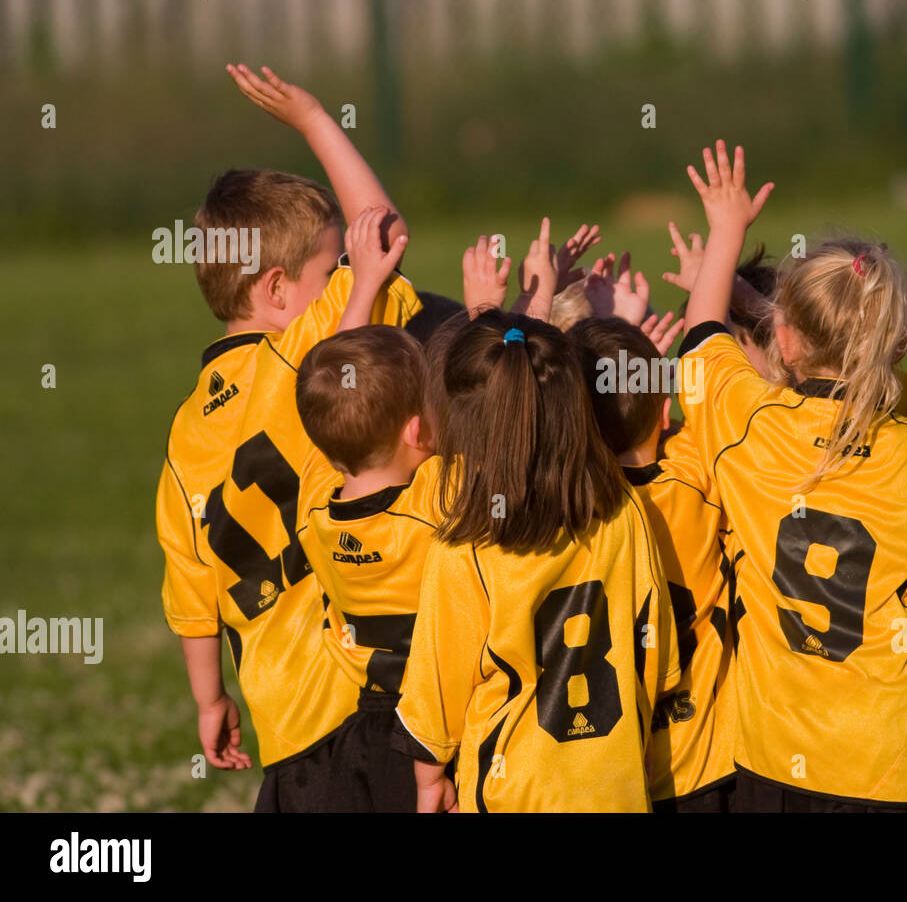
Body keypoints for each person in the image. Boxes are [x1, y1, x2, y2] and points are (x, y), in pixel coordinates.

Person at [155, 64, 420, 811]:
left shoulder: (183, 434)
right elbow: (385, 234)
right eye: (332, 265)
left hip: (284, 735)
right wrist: (314, 121)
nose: (348, 270)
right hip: (364, 704)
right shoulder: (304, 350)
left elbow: (189, 593)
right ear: (277, 291)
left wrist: (210, 701)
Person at [674, 140, 907, 811]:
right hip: (883, 764)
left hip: (773, 758)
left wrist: (726, 233)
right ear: (893, 341)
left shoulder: (750, 426)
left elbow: (700, 333)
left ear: (782, 337)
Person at [393, 267, 679, 812]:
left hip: (512, 795)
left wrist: (429, 779)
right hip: (616, 790)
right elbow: (655, 654)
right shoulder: (623, 515)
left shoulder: (466, 548)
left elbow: (436, 692)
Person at [569, 316, 738, 812]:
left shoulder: (570, 511)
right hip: (710, 763)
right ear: (666, 413)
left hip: (608, 767)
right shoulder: (698, 469)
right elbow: (709, 396)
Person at [295, 325, 439, 812]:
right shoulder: (437, 499)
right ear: (418, 431)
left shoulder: (313, 509)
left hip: (367, 726)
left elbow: (328, 403)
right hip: (437, 730)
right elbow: (500, 417)